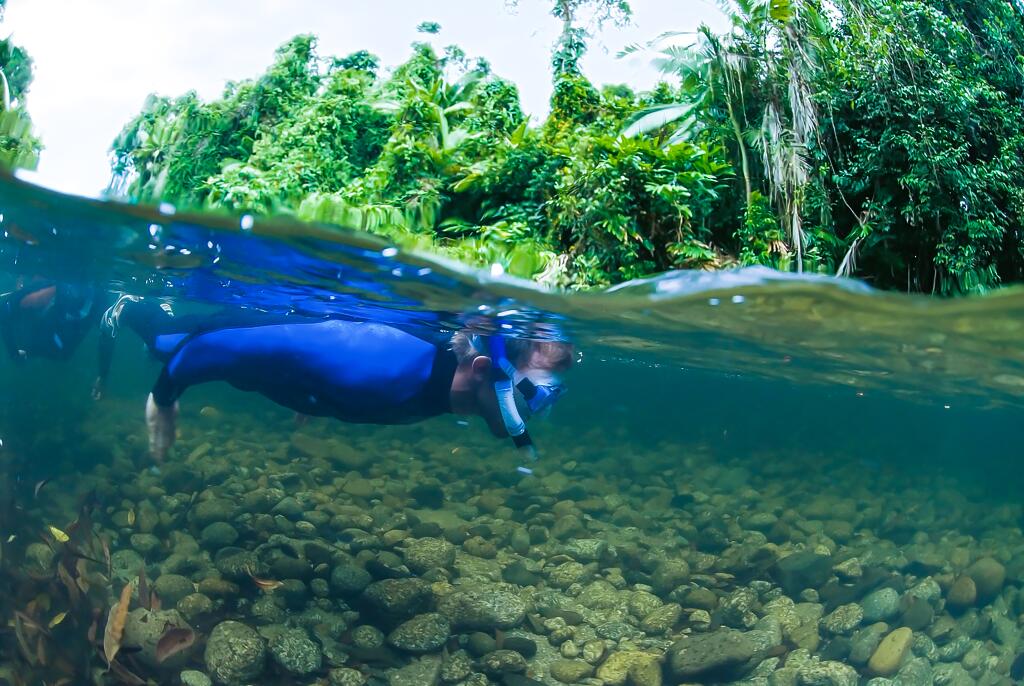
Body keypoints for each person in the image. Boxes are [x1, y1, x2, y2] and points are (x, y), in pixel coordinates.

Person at [97, 297, 573, 462]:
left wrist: (314, 389)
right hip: (233, 340)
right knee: (164, 342)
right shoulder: (384, 362)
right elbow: (214, 348)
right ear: (483, 369)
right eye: (533, 394)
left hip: (280, 374)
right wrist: (164, 396)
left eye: (548, 397)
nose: (536, 412)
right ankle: (130, 308)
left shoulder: (443, 391)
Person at [0, 277, 104, 363]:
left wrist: (14, 353)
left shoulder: (53, 289)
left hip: (53, 344)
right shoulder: (51, 289)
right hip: (52, 344)